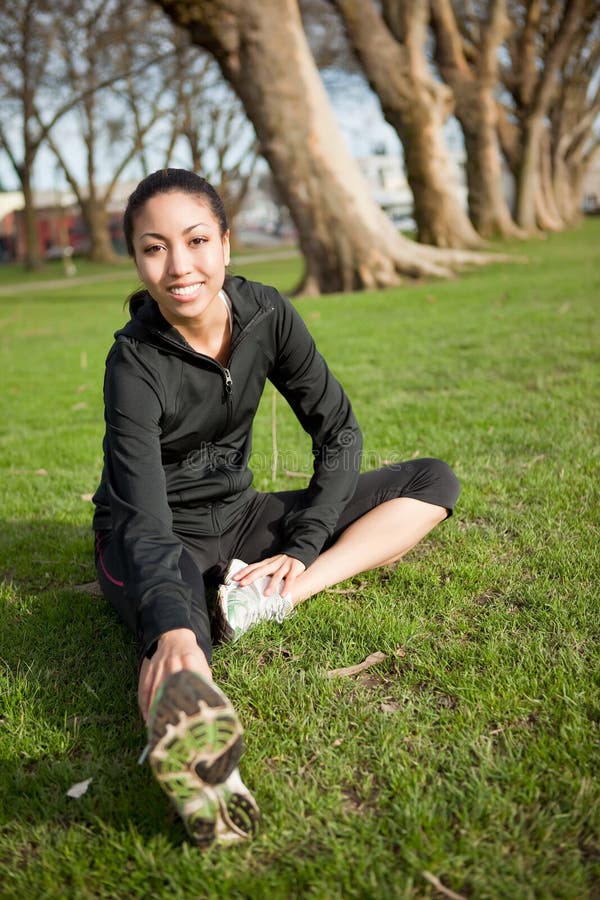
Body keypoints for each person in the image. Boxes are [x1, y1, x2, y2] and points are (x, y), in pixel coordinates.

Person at [92, 168, 460, 849]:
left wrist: (301, 549)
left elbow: (339, 431)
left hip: (241, 515)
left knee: (431, 481)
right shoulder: (133, 363)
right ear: (137, 259)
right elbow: (144, 517)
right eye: (154, 247)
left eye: (196, 239)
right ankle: (202, 773)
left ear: (226, 245)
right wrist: (171, 627)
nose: (179, 266)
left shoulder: (266, 314)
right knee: (181, 624)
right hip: (150, 534)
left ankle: (272, 597)